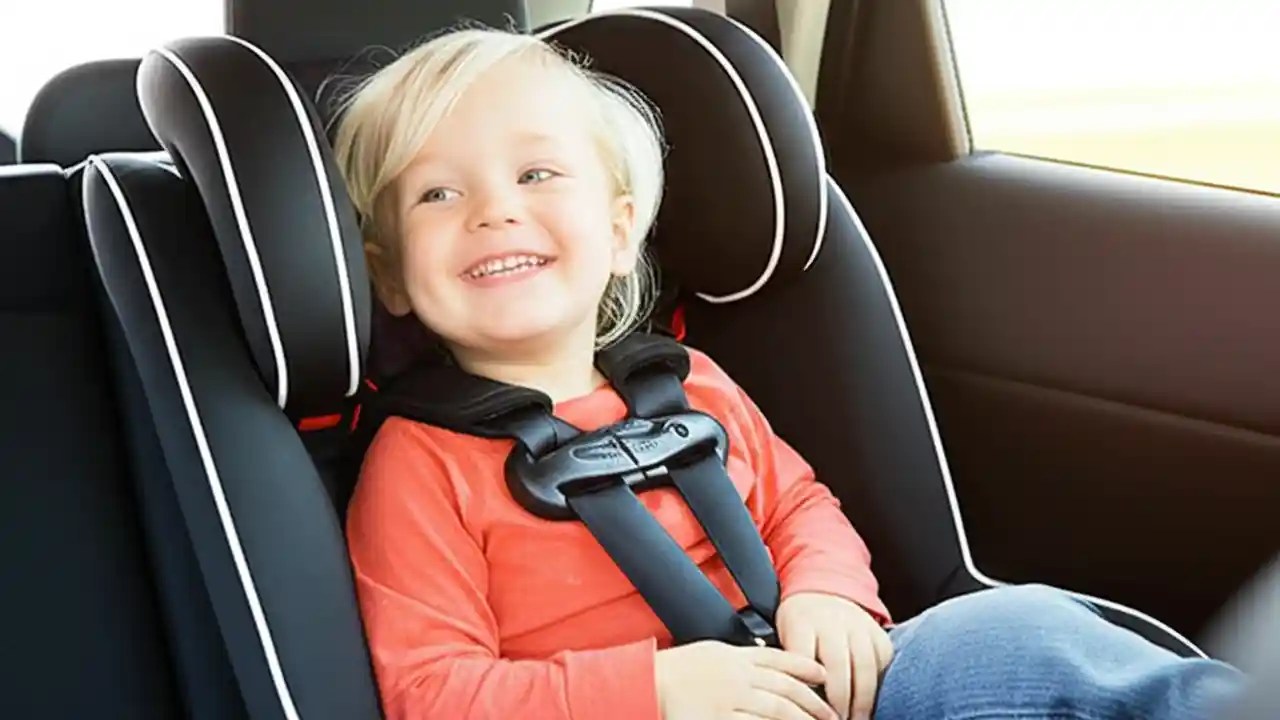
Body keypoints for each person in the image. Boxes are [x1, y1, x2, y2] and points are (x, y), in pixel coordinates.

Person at [333, 26, 1245, 720]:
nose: (493, 211)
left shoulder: (690, 387)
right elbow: (431, 693)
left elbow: (798, 507)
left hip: (814, 691)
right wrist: (653, 693)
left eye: (536, 173)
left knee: (1027, 633)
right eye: (437, 192)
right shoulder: (419, 466)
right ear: (388, 274)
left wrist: (828, 593)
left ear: (618, 232)